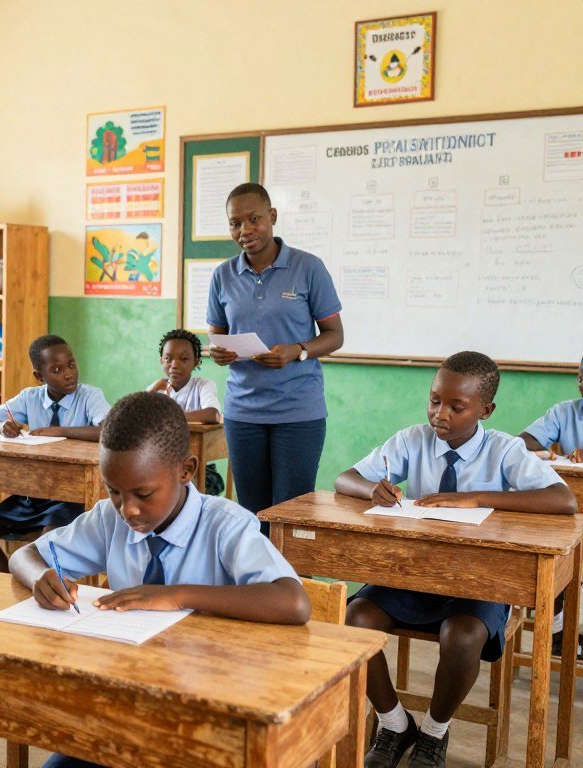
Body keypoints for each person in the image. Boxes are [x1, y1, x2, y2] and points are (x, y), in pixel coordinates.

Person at [9, 391, 309, 768]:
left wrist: (179, 595)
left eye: (144, 493)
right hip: (127, 704)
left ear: (186, 470)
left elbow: (293, 602)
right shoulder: (109, 518)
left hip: (214, 712)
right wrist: (41, 576)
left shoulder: (225, 526)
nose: (128, 508)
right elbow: (26, 554)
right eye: (114, 491)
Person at [335, 351, 576, 768]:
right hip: (412, 571)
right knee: (355, 618)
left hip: (481, 580)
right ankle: (393, 723)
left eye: (456, 406)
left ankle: (433, 732)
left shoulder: (505, 451)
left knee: (461, 636)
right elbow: (345, 478)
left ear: (486, 409)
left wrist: (477, 498)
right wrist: (372, 489)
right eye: (434, 401)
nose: (439, 414)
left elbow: (564, 500)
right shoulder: (413, 439)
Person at [207, 182, 343, 526]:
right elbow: (216, 335)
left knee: (291, 515)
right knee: (252, 516)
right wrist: (218, 352)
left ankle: (294, 582)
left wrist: (298, 350)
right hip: (243, 412)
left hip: (298, 412)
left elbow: (335, 336)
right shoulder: (222, 275)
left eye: (254, 219)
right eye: (235, 223)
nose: (245, 230)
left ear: (272, 216)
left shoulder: (308, 267)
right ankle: (256, 581)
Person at [0, 334, 110, 572]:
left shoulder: (89, 396)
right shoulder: (29, 397)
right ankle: (14, 586)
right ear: (39, 377)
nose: (68, 373)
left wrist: (59, 431)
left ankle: (34, 587)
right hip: (32, 494)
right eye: (57, 369)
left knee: (47, 541)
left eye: (71, 365)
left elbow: (109, 429)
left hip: (72, 496)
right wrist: (1, 427)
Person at [519, 355, 583, 659]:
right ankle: (556, 631)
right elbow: (525, 441)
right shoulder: (565, 412)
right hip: (568, 519)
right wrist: (549, 452)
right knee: (552, 556)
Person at [146, 328, 224, 494]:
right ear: (161, 360)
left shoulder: (203, 385)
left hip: (200, 468)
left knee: (183, 486)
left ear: (196, 362)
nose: (175, 364)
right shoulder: (156, 390)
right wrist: (150, 391)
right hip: (162, 466)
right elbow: (136, 419)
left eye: (184, 359)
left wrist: (170, 417)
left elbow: (213, 414)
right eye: (168, 358)